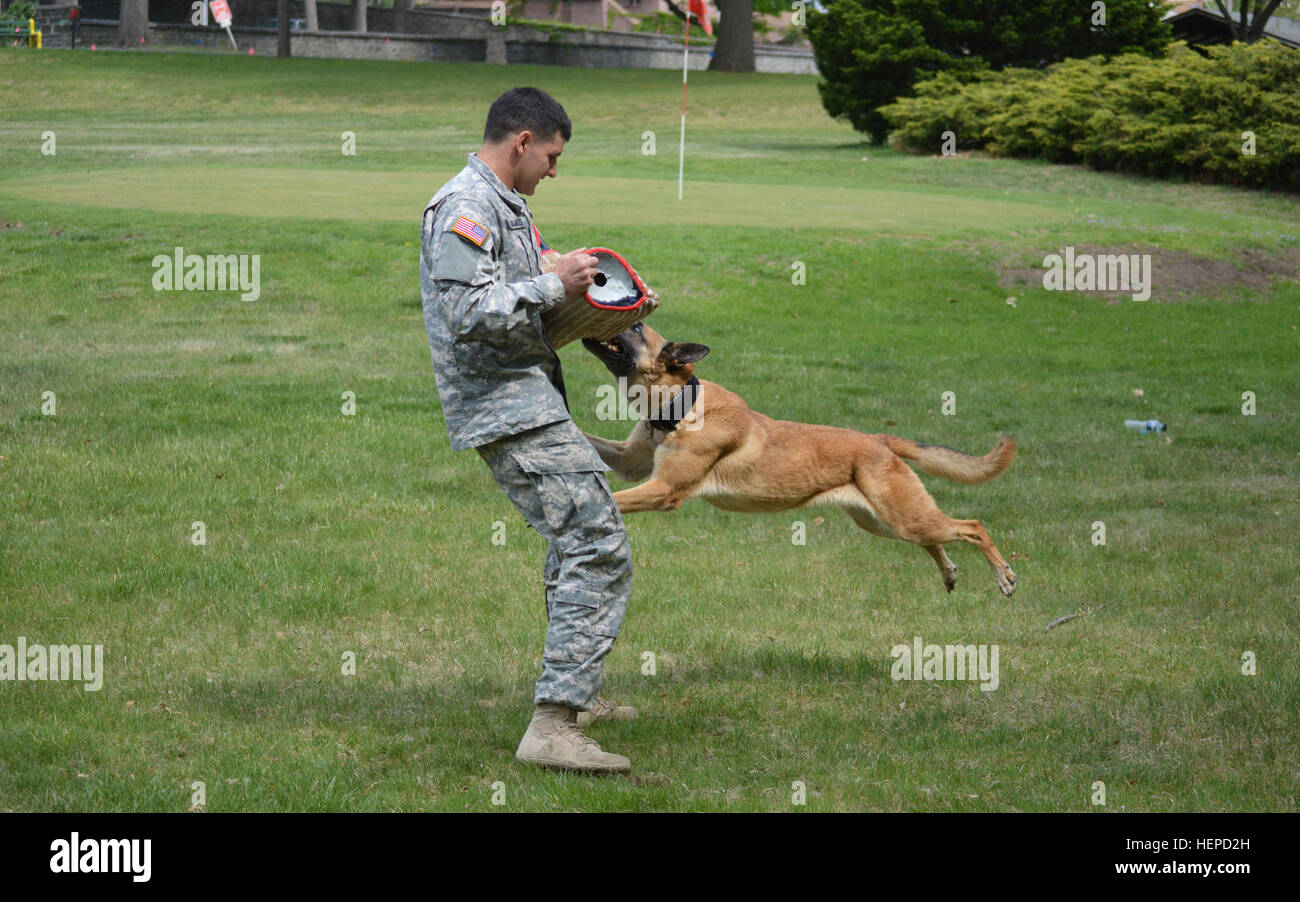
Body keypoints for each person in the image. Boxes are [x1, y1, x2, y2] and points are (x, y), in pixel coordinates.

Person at [419, 87, 637, 774]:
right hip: (502, 405)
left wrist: (604, 299)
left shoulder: (506, 204)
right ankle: (553, 725)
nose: (552, 170)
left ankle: (575, 693)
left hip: (530, 396)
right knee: (599, 545)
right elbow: (467, 311)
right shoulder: (465, 205)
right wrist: (553, 284)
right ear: (521, 142)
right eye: (551, 156)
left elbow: (524, 287)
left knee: (575, 540)